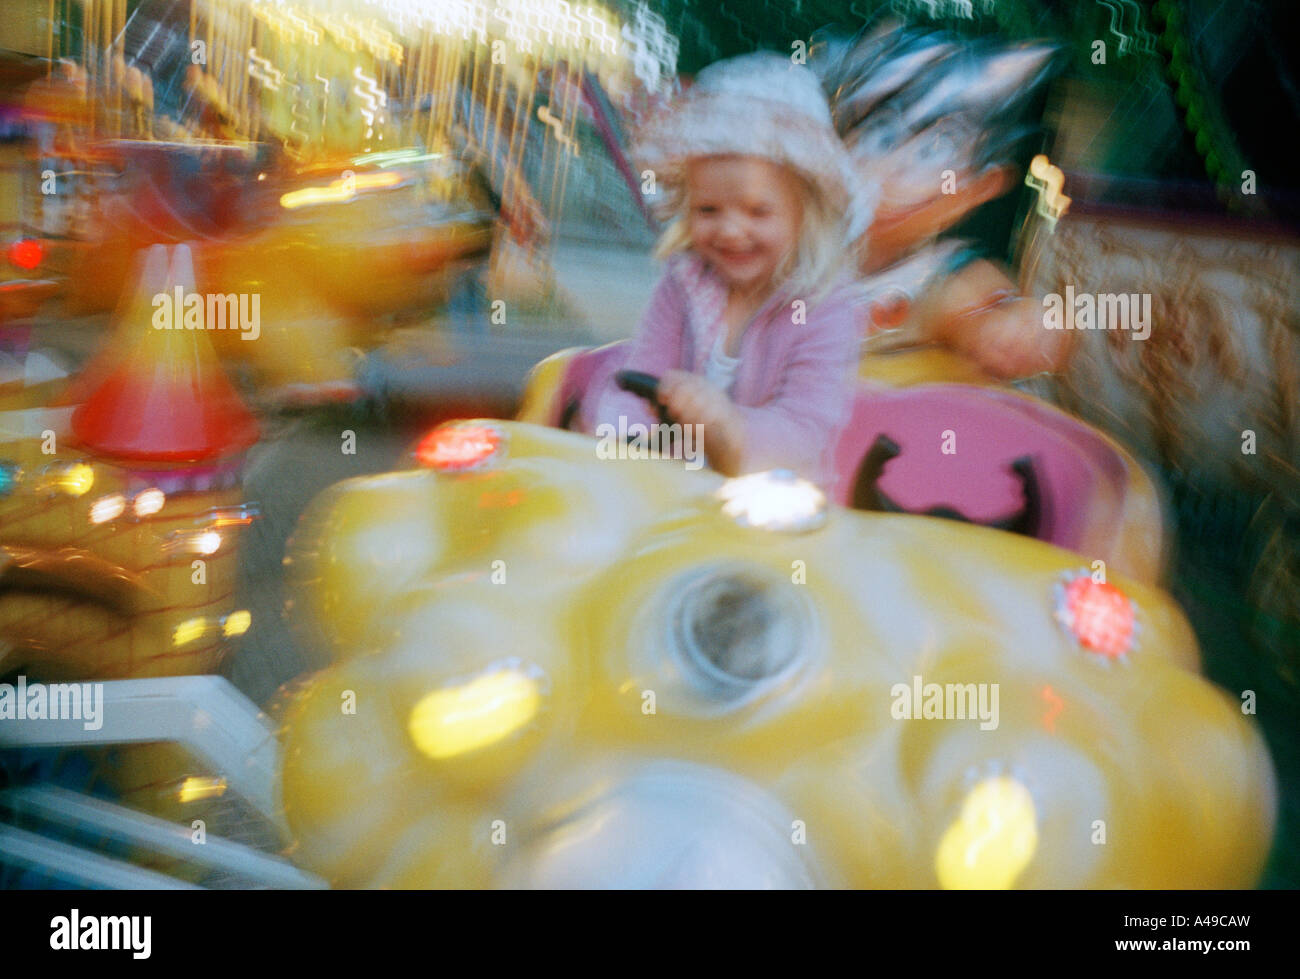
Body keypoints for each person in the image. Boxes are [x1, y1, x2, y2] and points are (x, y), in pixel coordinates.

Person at [582, 53, 875, 487]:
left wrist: (726, 424)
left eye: (758, 211)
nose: (731, 230)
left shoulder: (826, 307)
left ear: (804, 213)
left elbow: (806, 429)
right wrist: (621, 440)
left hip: (774, 504)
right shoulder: (682, 285)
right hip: (671, 487)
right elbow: (637, 378)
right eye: (708, 209)